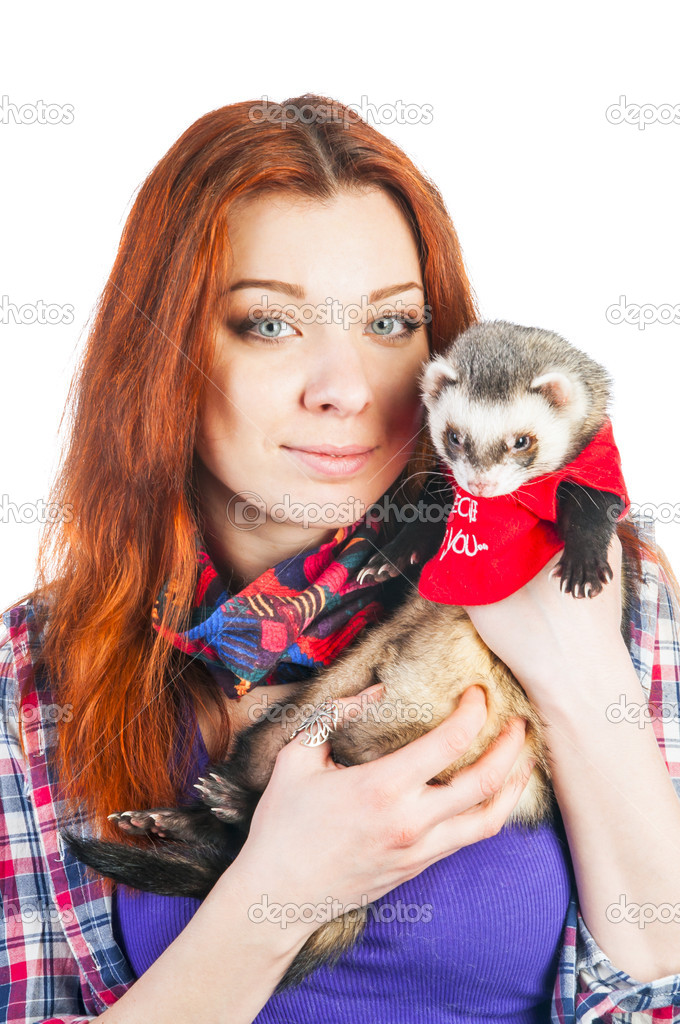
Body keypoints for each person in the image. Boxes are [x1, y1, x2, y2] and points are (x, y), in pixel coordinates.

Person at [1, 94, 679, 1024]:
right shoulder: (31, 676)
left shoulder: (607, 597)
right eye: (269, 325)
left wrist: (583, 675)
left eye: (392, 325)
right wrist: (278, 895)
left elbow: (661, 987)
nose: (347, 389)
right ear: (161, 359)